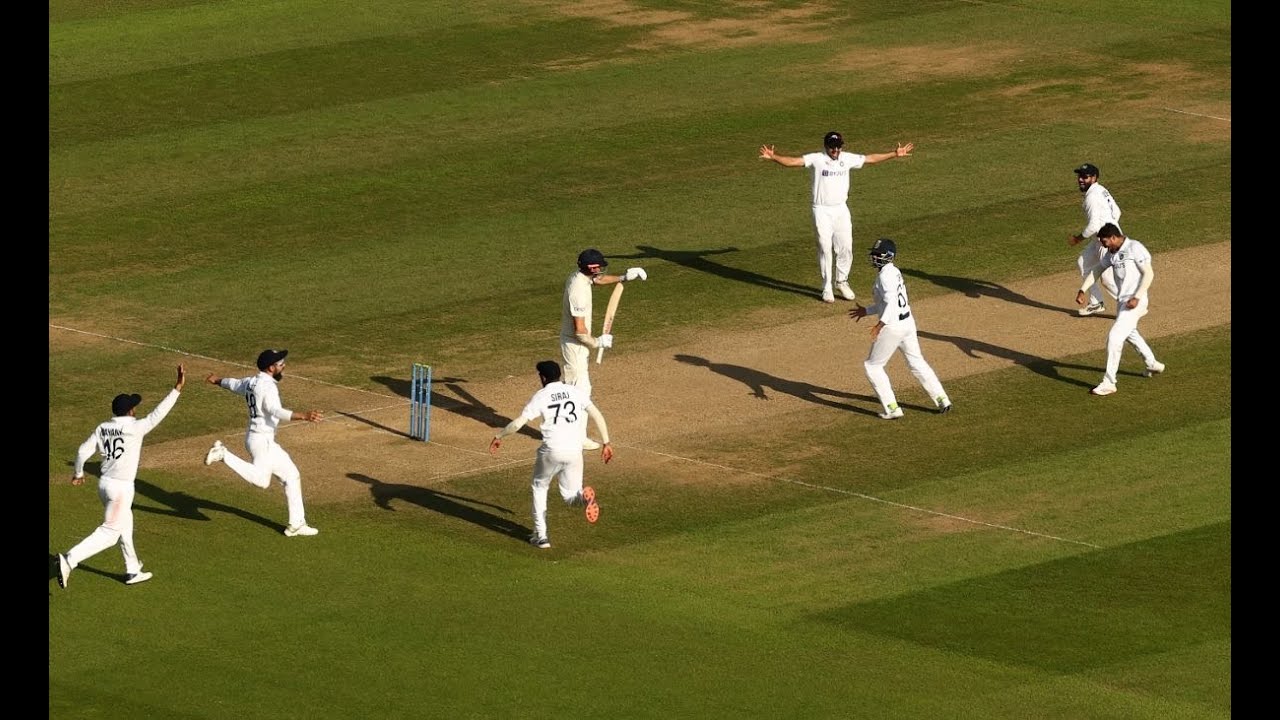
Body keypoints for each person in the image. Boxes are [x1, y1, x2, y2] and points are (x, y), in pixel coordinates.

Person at [56, 364, 186, 588]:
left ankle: (132, 570)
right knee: (110, 533)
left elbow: (82, 451)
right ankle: (70, 560)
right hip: (121, 491)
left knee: (126, 524)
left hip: (104, 486)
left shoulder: (103, 428)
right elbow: (159, 413)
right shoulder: (136, 427)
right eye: (134, 407)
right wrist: (177, 388)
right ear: (130, 411)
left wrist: (78, 473)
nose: (136, 410)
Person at [759, 131, 915, 304]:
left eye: (838, 147)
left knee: (846, 246)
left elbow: (870, 159)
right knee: (825, 248)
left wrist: (894, 154)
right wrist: (774, 157)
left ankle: (841, 281)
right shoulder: (817, 159)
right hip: (821, 210)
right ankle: (827, 286)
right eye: (832, 147)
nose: (836, 150)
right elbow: (793, 162)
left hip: (841, 209)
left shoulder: (846, 158)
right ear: (826, 146)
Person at [488, 360, 612, 549]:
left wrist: (500, 436)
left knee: (539, 487)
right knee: (571, 497)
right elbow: (597, 415)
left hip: (551, 451)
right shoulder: (574, 391)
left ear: (543, 377)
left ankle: (541, 536)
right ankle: (584, 497)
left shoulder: (541, 396)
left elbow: (519, 423)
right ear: (559, 375)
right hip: (575, 450)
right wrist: (606, 443)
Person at [203, 349, 324, 536]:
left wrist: (217, 380)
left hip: (262, 440)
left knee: (291, 475)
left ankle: (297, 524)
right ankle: (223, 454)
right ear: (271, 368)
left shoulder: (251, 382)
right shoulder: (268, 387)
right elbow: (275, 410)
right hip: (261, 441)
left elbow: (233, 384)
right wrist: (304, 416)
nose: (284, 366)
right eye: (281, 364)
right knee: (261, 481)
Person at [849, 238, 952, 419]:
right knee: (916, 362)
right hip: (907, 324)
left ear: (888, 256)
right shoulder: (894, 271)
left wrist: (880, 325)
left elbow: (890, 304)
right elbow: (889, 303)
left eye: (877, 254)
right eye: (874, 253)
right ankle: (942, 398)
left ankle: (892, 408)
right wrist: (867, 311)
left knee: (873, 366)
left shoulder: (884, 277)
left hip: (892, 327)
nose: (874, 257)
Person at [561, 248, 646, 447]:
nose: (600, 270)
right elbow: (580, 331)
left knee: (578, 388)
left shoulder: (580, 276)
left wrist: (623, 278)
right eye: (598, 267)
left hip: (578, 343)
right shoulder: (578, 291)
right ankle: (576, 437)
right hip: (575, 344)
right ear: (591, 268)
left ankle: (570, 433)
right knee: (579, 390)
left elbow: (598, 280)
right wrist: (597, 342)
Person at [1076, 223, 1165, 395]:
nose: (1104, 246)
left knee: (1115, 337)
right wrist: (1082, 290)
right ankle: (1152, 363)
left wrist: (1137, 296)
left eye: (1105, 242)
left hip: (1135, 302)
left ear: (1113, 237)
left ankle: (1109, 382)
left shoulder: (1135, 248)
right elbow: (1097, 270)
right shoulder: (1112, 253)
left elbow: (1149, 274)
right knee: (1130, 333)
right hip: (1123, 302)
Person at [1069, 162, 1123, 316]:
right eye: (1080, 176)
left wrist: (1078, 239)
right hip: (1102, 239)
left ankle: (1127, 307)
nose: (1081, 179)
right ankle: (1096, 302)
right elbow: (1117, 212)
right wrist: (1110, 225)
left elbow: (1093, 225)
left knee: (1106, 279)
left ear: (1094, 178)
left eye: (1085, 177)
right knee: (1083, 263)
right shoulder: (1102, 190)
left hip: (1106, 241)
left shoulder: (1092, 197)